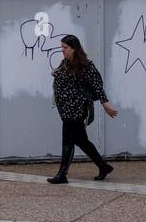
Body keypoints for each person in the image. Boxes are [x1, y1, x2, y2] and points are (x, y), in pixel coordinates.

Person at [48, 34, 118, 183]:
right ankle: (103, 166)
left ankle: (62, 174)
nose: (62, 50)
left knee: (68, 140)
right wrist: (55, 73)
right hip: (66, 109)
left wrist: (105, 104)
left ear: (74, 48)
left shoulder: (85, 65)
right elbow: (64, 77)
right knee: (81, 141)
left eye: (65, 47)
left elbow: (97, 85)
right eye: (62, 47)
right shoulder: (65, 62)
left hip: (77, 109)